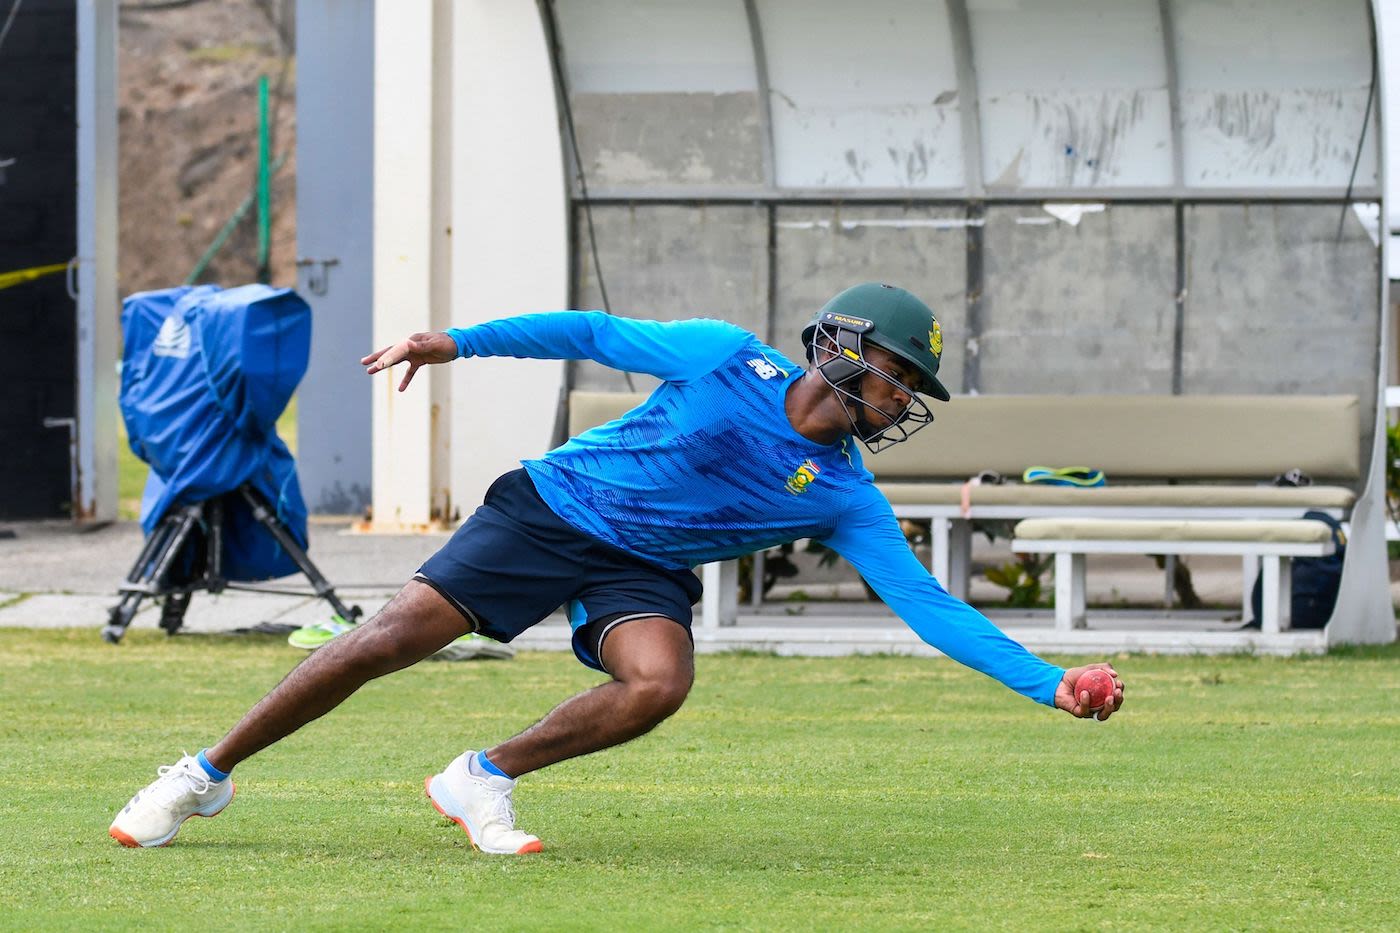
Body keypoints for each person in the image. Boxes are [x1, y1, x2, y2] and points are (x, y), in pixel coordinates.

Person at [109, 283, 1125, 853]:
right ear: (841, 351)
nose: (901, 399)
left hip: (643, 565)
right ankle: (202, 775)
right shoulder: (725, 358)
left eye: (911, 389)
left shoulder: (845, 491)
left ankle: (480, 777)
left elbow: (925, 606)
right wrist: (455, 343)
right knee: (386, 641)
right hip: (554, 510)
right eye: (897, 375)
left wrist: (1051, 686)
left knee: (658, 684)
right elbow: (588, 333)